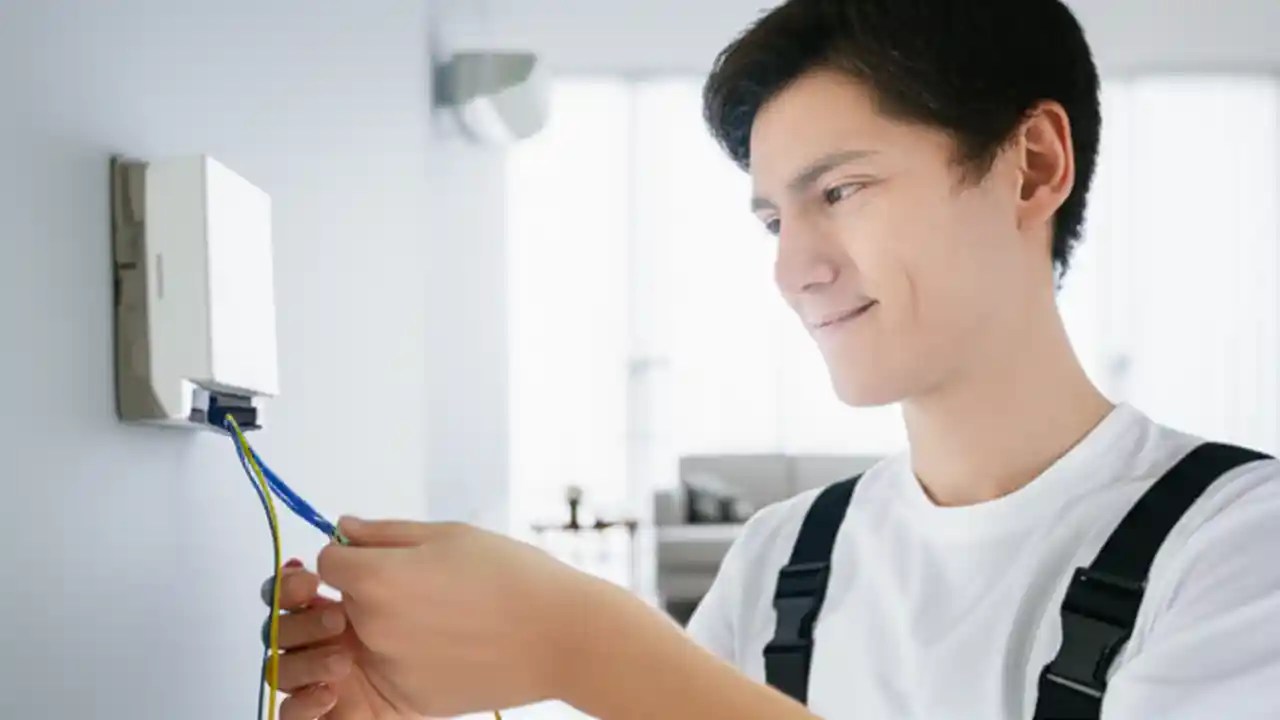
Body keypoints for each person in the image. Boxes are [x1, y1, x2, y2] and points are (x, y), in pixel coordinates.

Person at [264, 0, 1280, 718]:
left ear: (1032, 166)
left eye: (839, 192)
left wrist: (585, 645)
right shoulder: (785, 558)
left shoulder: (1236, 548)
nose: (795, 269)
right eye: (770, 220)